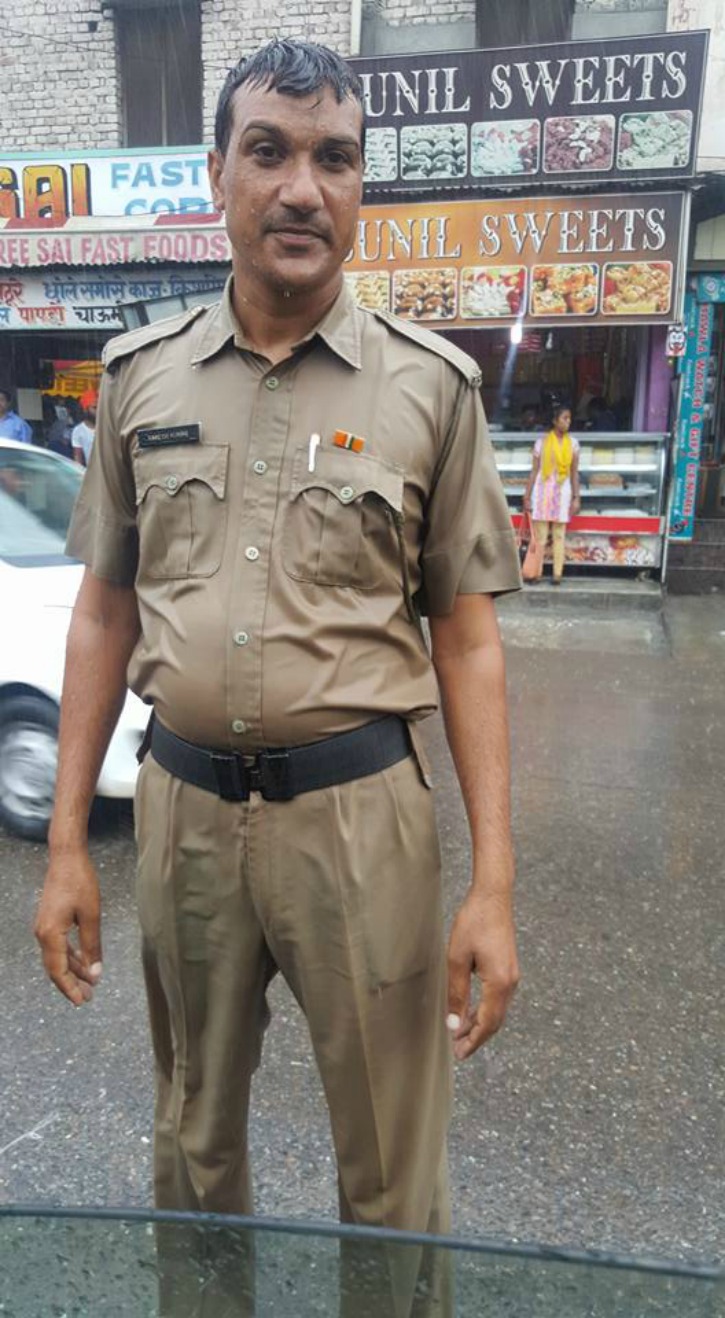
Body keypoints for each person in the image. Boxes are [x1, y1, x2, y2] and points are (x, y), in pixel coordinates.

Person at [35, 38, 521, 1314]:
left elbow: (467, 639)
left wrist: (493, 887)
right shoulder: (141, 382)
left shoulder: (431, 389)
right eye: (269, 152)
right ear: (217, 176)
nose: (301, 187)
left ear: (361, 191)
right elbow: (102, 610)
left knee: (391, 1178)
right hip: (185, 814)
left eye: (333, 158)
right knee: (191, 1147)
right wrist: (70, 845)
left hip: (364, 825)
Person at [523, 404, 581, 585]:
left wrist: (576, 497)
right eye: (564, 418)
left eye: (569, 418)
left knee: (559, 535)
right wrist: (527, 495)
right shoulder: (541, 443)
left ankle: (557, 574)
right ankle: (536, 572)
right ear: (555, 421)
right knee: (540, 536)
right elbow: (534, 471)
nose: (568, 422)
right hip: (542, 494)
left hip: (562, 494)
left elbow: (574, 472)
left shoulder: (573, 444)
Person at [71, 390, 97, 466]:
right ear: (85, 409)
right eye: (95, 408)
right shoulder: (78, 431)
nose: (98, 411)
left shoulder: (108, 428)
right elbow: (77, 458)